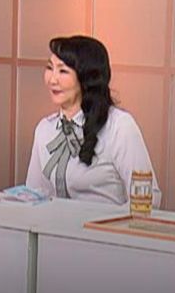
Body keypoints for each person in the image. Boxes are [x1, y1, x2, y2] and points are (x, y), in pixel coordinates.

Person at [23, 35, 159, 205]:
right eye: (50, 68)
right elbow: (34, 195)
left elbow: (149, 196)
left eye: (63, 71)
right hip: (54, 222)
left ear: (86, 78)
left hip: (106, 222)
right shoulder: (45, 129)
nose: (52, 80)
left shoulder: (119, 126)